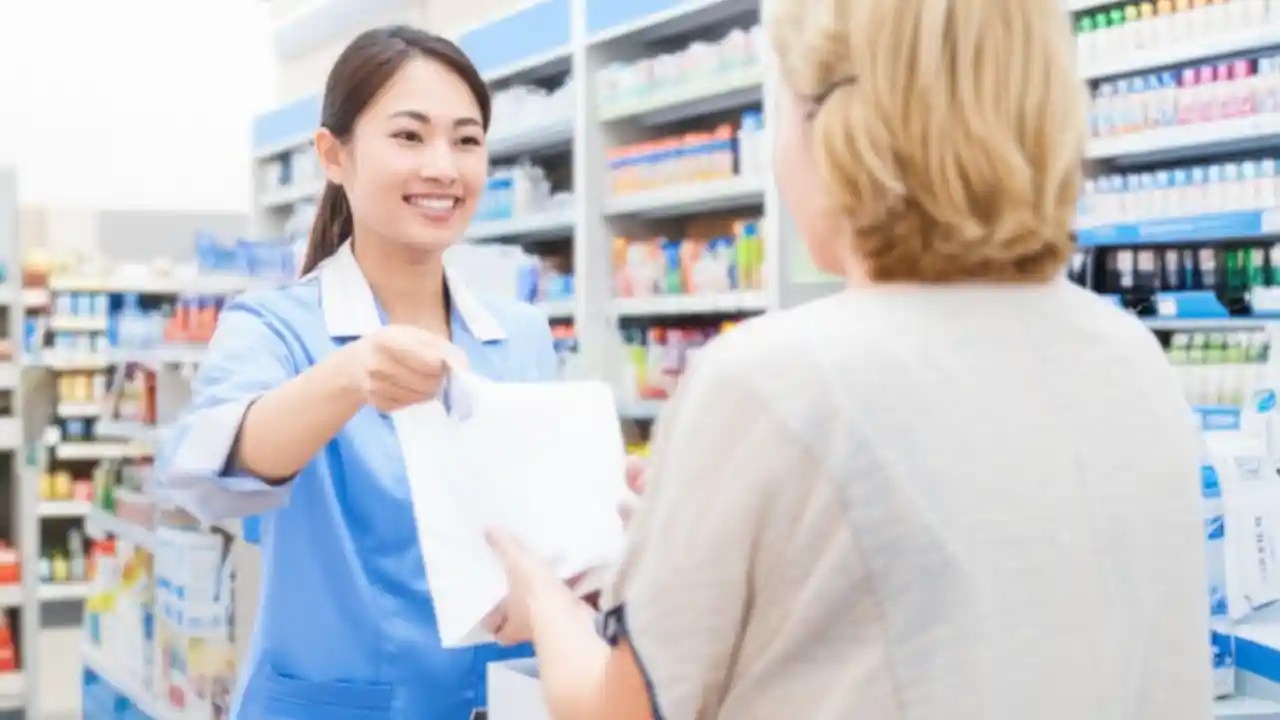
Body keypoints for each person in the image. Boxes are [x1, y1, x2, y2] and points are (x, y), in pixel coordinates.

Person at [484, 0, 1214, 718]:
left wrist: (546, 599)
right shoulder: (1129, 356)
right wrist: (700, 526)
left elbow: (612, 713)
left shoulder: (773, 379)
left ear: (836, 127)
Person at [154, 26, 559, 720]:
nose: (444, 167)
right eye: (409, 136)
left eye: (466, 140)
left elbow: (546, 522)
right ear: (333, 155)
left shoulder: (519, 334)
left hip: (504, 696)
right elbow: (214, 473)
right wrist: (347, 378)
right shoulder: (274, 326)